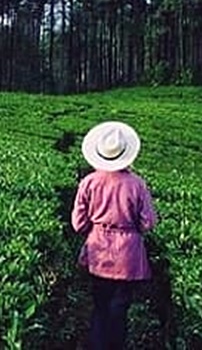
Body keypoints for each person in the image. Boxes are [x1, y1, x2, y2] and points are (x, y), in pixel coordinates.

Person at [71, 121, 157, 350]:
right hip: (128, 255)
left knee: (100, 305)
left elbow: (78, 224)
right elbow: (148, 223)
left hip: (98, 250)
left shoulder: (88, 182)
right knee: (120, 309)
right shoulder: (137, 184)